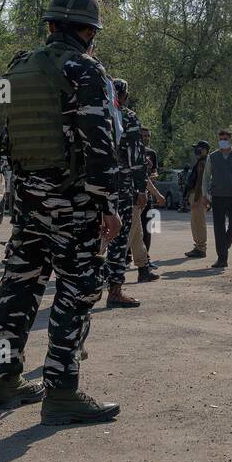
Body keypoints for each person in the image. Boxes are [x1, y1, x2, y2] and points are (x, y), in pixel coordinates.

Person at [0, 0, 123, 425]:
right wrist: (107, 203)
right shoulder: (86, 71)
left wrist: (22, 183)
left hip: (27, 198)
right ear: (86, 30)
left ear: (50, 25)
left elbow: (5, 130)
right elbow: (99, 142)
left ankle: (7, 378)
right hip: (72, 200)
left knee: (19, 285)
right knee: (77, 287)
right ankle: (62, 390)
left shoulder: (17, 69)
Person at [103, 78, 149, 302]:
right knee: (119, 239)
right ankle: (115, 290)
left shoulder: (93, 113)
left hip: (94, 184)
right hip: (121, 187)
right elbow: (137, 158)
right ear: (124, 96)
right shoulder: (128, 117)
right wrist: (141, 188)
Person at [201, 128, 232, 269]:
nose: (223, 141)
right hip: (217, 197)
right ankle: (222, 259)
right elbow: (206, 178)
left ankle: (223, 248)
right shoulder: (213, 157)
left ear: (230, 140)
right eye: (221, 139)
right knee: (219, 228)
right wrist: (205, 195)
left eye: (225, 139)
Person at [126, 125, 162, 282]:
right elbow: (143, 178)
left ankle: (143, 268)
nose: (145, 138)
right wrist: (158, 195)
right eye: (142, 135)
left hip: (136, 200)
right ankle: (106, 267)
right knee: (126, 237)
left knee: (137, 236)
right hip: (131, 199)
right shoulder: (134, 151)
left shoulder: (134, 150)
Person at [184, 140, 210, 258]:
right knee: (196, 222)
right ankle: (199, 246)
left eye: (199, 149)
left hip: (198, 195)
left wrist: (196, 199)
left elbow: (200, 182)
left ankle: (200, 248)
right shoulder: (202, 162)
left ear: (204, 150)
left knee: (198, 223)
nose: (197, 151)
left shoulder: (203, 163)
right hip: (197, 195)